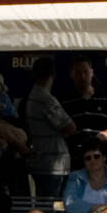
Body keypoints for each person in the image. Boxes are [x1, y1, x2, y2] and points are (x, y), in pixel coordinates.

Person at [24, 57, 76, 197]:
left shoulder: (33, 96)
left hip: (43, 162)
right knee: (54, 207)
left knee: (49, 206)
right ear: (53, 75)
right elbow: (70, 127)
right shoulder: (45, 99)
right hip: (53, 166)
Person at [62, 56, 107, 159]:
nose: (82, 76)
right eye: (78, 72)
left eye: (85, 72)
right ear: (72, 75)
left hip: (102, 158)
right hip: (75, 160)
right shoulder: (65, 103)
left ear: (92, 73)